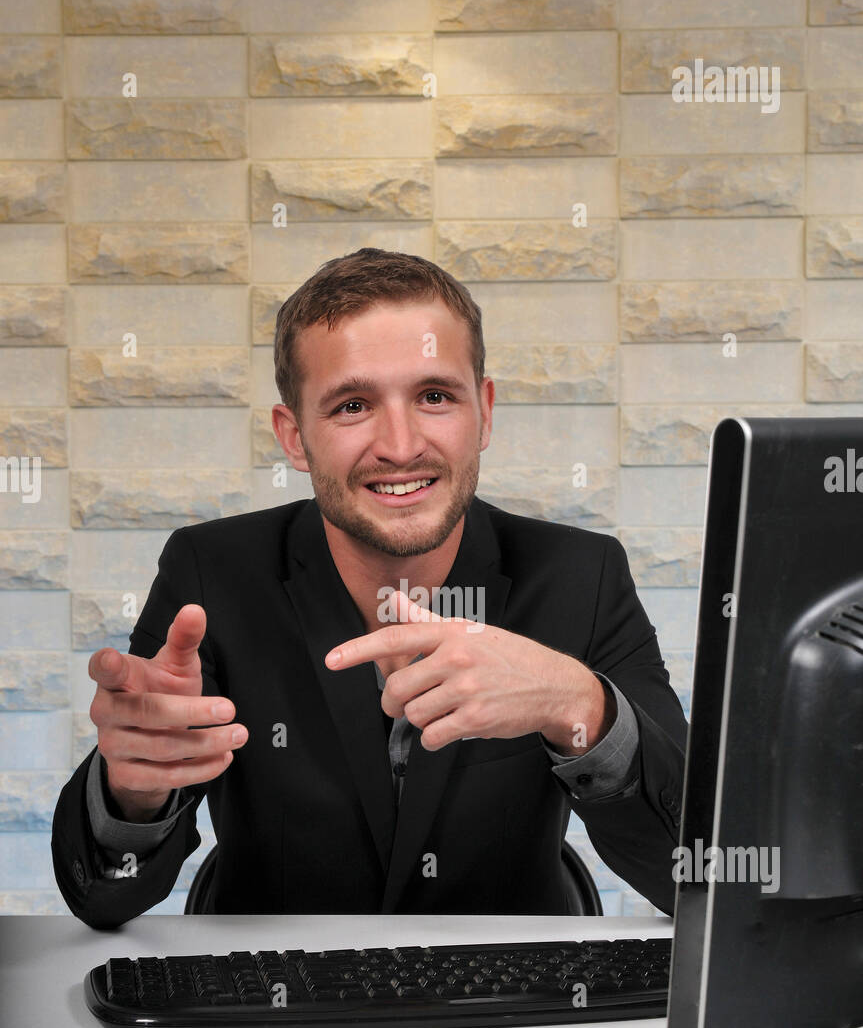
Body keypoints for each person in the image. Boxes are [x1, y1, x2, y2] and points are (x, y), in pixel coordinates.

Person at [51, 248, 687, 928]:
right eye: (352, 405)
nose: (401, 444)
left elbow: (697, 875)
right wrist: (135, 793)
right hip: (274, 995)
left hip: (508, 998)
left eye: (434, 396)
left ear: (485, 411)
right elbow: (104, 898)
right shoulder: (211, 571)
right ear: (294, 438)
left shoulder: (578, 575)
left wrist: (576, 703)